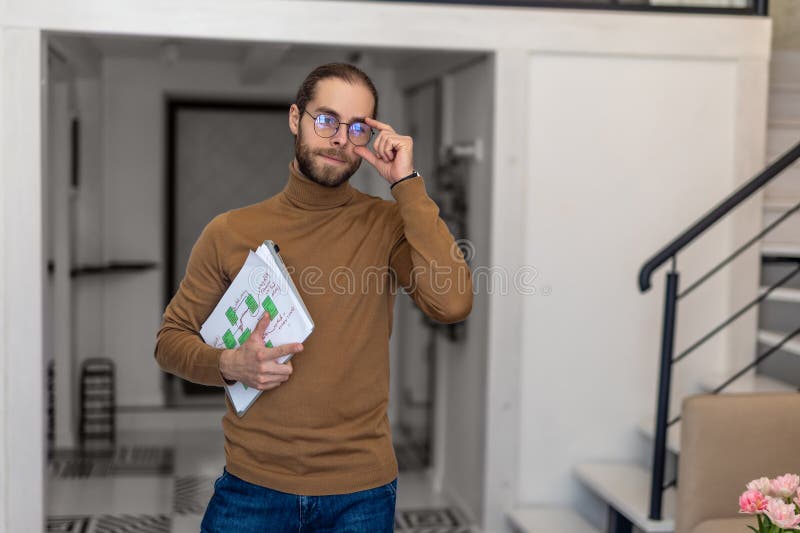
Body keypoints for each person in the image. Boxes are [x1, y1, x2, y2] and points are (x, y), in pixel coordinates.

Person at [155, 62, 473, 532]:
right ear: (295, 119)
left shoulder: (387, 224)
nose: (340, 139)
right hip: (251, 487)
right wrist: (229, 364)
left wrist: (406, 184)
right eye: (326, 120)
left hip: (360, 494)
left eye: (357, 127)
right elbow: (169, 341)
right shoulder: (229, 231)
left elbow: (452, 303)